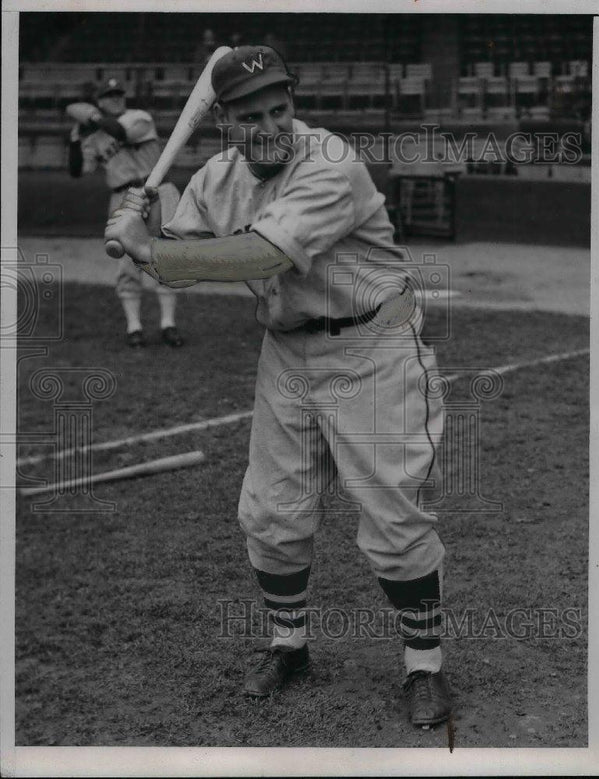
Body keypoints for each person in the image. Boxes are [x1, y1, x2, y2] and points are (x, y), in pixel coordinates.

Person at [105, 45, 452, 728]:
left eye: (279, 108)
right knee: (269, 511)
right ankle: (289, 645)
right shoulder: (216, 177)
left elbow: (263, 253)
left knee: (393, 515)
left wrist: (150, 249)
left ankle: (424, 664)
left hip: (372, 346)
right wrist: (141, 229)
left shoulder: (331, 163)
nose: (270, 126)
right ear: (224, 122)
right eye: (250, 116)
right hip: (286, 349)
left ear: (293, 104)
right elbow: (181, 261)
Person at [68, 77, 184, 348]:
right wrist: (74, 139)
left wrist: (91, 116)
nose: (116, 98)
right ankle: (134, 327)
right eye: (109, 95)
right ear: (100, 100)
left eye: (118, 93)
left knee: (165, 257)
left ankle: (168, 324)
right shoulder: (95, 137)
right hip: (122, 196)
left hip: (157, 189)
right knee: (127, 262)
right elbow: (77, 171)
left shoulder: (138, 117)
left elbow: (120, 133)